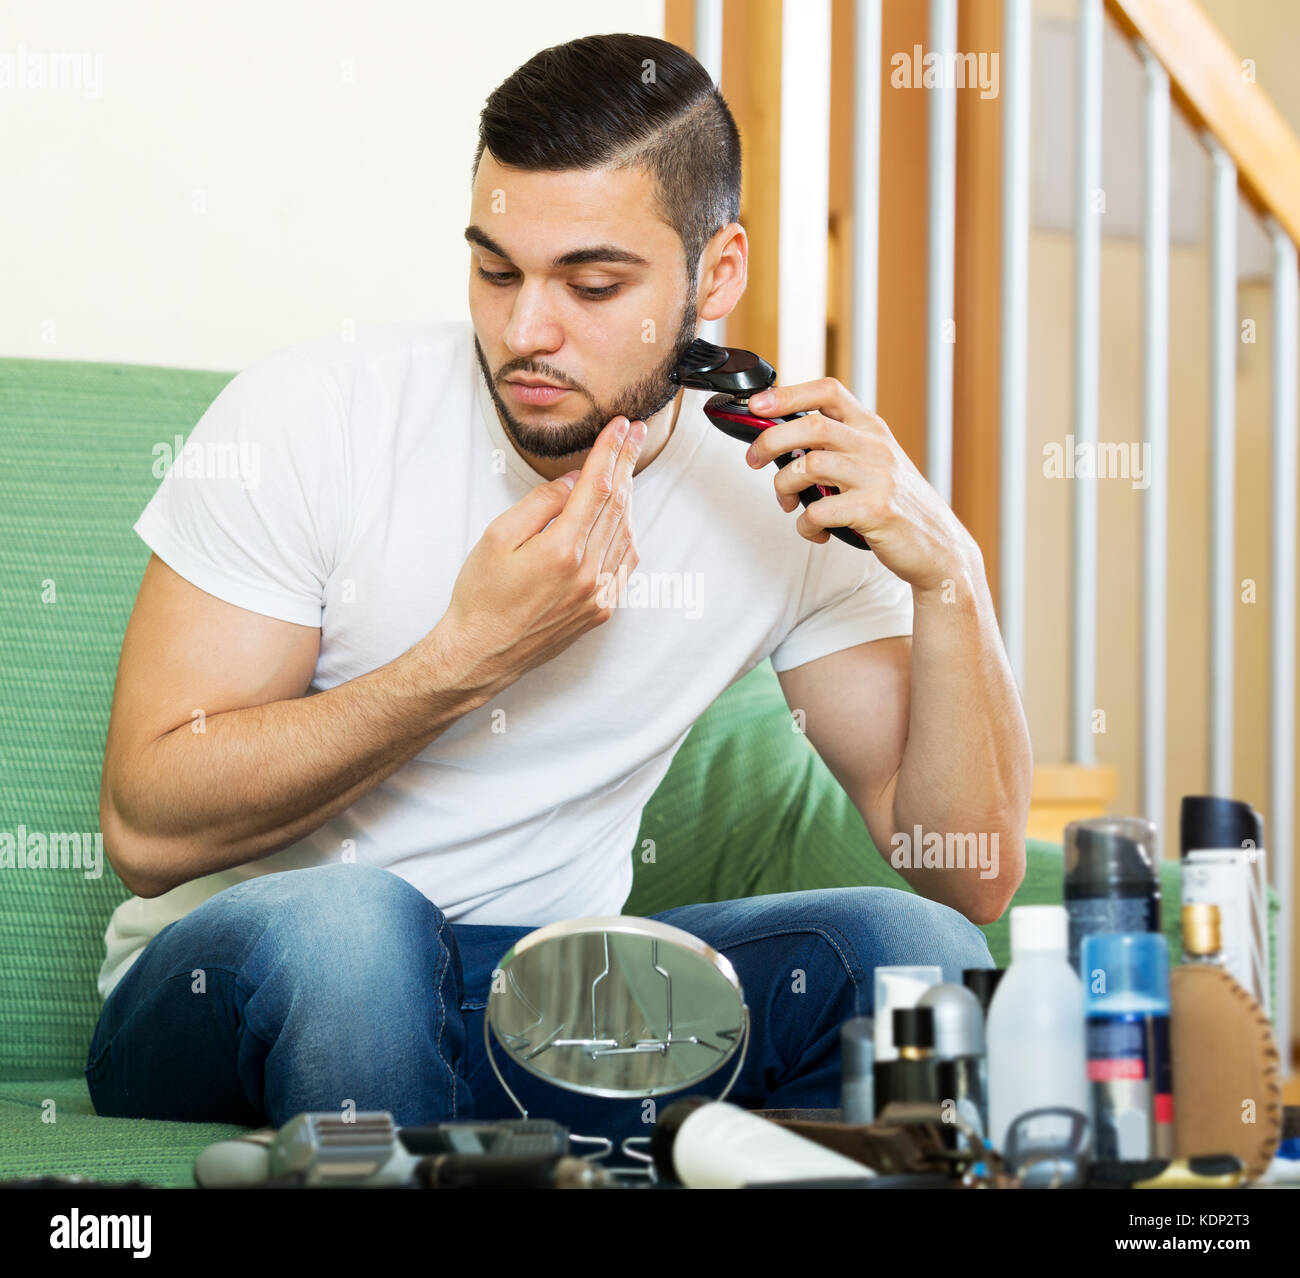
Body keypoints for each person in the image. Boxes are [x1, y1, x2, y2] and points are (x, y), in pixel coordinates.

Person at [87, 33, 1030, 1143]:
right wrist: (466, 658)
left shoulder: (777, 490)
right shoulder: (313, 418)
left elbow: (968, 876)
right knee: (357, 931)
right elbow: (144, 830)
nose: (525, 333)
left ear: (715, 272)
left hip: (540, 1003)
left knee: (913, 954)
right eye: (496, 271)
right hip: (241, 986)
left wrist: (948, 574)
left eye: (591, 284)